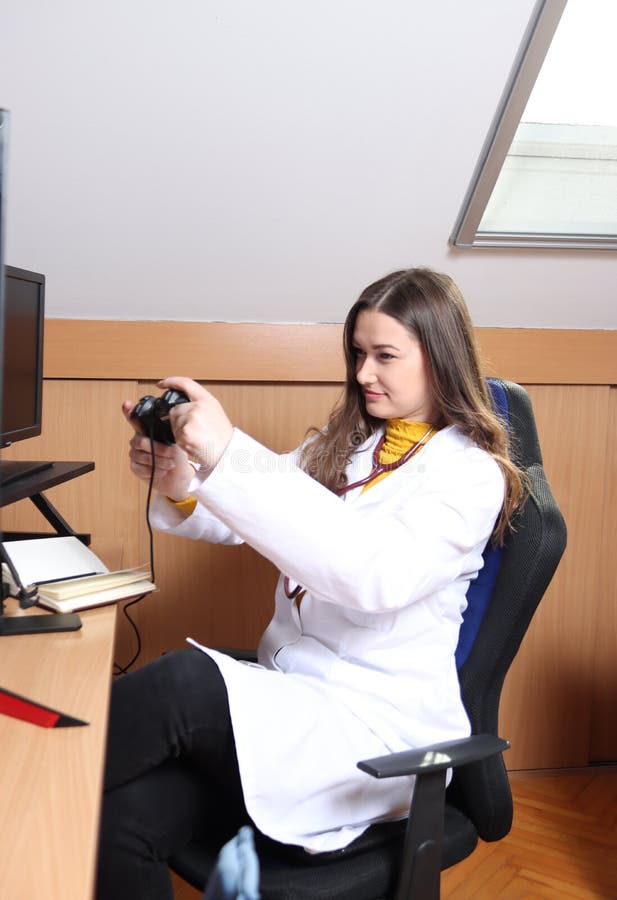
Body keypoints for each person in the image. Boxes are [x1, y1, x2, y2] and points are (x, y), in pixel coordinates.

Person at [96, 267, 524, 900]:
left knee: (182, 681)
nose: (362, 374)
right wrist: (181, 478)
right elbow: (247, 515)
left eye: (384, 356)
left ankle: (21, 775)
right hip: (294, 709)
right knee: (121, 818)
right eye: (358, 353)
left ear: (440, 360)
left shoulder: (469, 477)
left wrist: (227, 453)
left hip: (372, 735)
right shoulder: (343, 445)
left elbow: (371, 576)